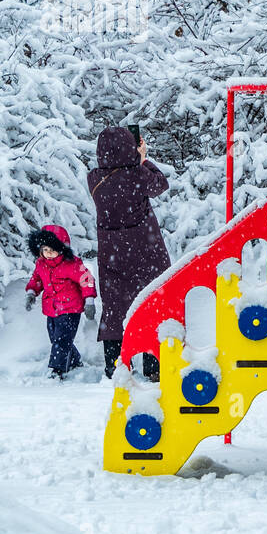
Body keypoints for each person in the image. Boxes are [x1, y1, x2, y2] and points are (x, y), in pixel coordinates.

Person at [88, 126, 171, 379]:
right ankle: (154, 367)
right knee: (149, 307)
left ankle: (116, 366)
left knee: (114, 309)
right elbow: (161, 184)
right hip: (146, 251)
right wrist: (143, 159)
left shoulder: (94, 178)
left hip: (112, 254)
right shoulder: (138, 175)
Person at [24, 225, 97, 379]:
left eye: (52, 250)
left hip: (70, 309)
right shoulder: (41, 264)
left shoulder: (72, 264)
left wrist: (89, 301)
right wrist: (32, 293)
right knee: (56, 339)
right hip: (51, 309)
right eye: (45, 250)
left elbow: (87, 280)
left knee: (62, 340)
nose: (48, 254)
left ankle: (57, 370)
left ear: (62, 249)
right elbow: (36, 280)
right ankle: (75, 362)